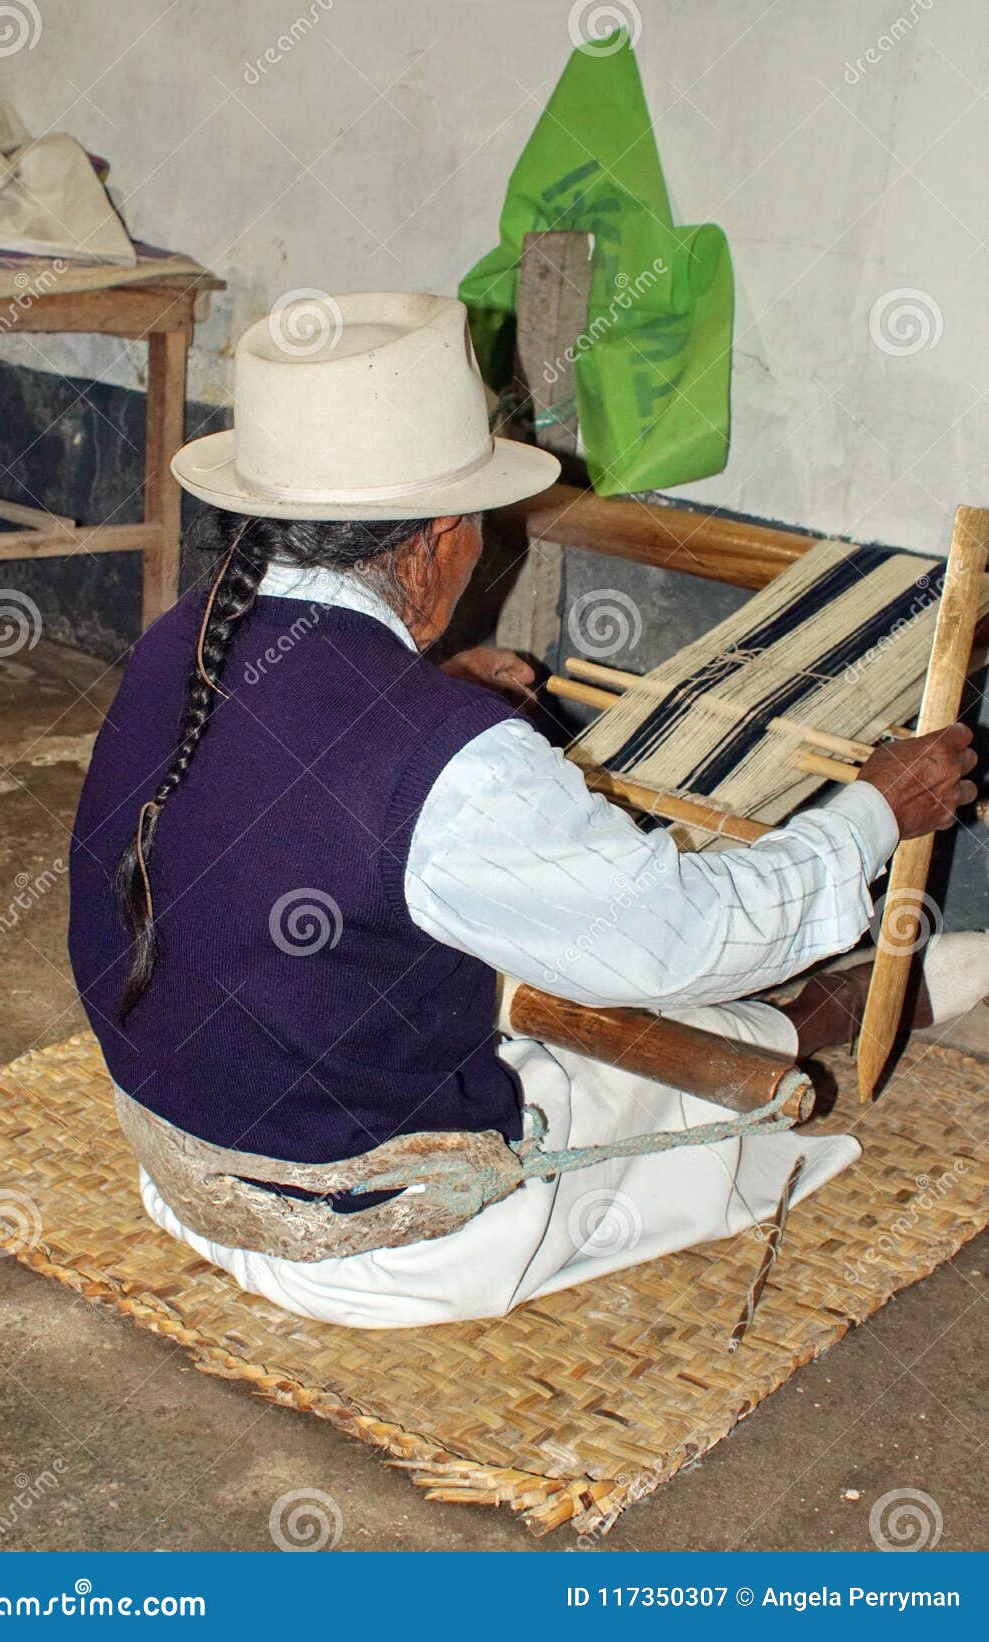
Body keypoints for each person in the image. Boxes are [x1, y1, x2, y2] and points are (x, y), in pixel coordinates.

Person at [69, 291, 983, 1330]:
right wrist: (875, 809)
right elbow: (682, 937)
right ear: (438, 540)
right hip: (377, 1237)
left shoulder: (184, 637)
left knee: (526, 985)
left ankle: (793, 1004)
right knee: (639, 1047)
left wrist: (427, 691)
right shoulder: (447, 762)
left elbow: (285, 781)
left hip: (182, 1167)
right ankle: (815, 1013)